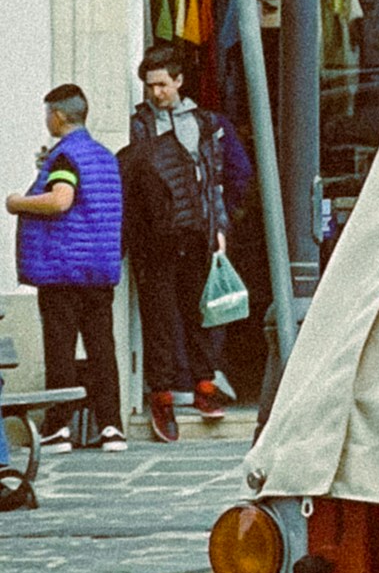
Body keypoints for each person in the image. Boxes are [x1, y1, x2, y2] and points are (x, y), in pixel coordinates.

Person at [120, 48, 238, 442]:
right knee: (159, 321)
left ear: (179, 82)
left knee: (200, 315)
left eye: (162, 85)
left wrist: (219, 226)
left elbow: (217, 177)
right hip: (154, 237)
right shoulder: (138, 125)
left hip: (196, 232)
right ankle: (162, 396)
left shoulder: (204, 123)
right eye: (150, 86)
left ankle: (204, 387)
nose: (156, 93)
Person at [6, 84, 125, 450]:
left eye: (48, 114)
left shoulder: (65, 157)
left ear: (58, 116)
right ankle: (111, 426)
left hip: (63, 269)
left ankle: (58, 426)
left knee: (60, 347)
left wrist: (18, 202)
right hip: (98, 270)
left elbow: (60, 201)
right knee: (102, 347)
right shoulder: (104, 156)